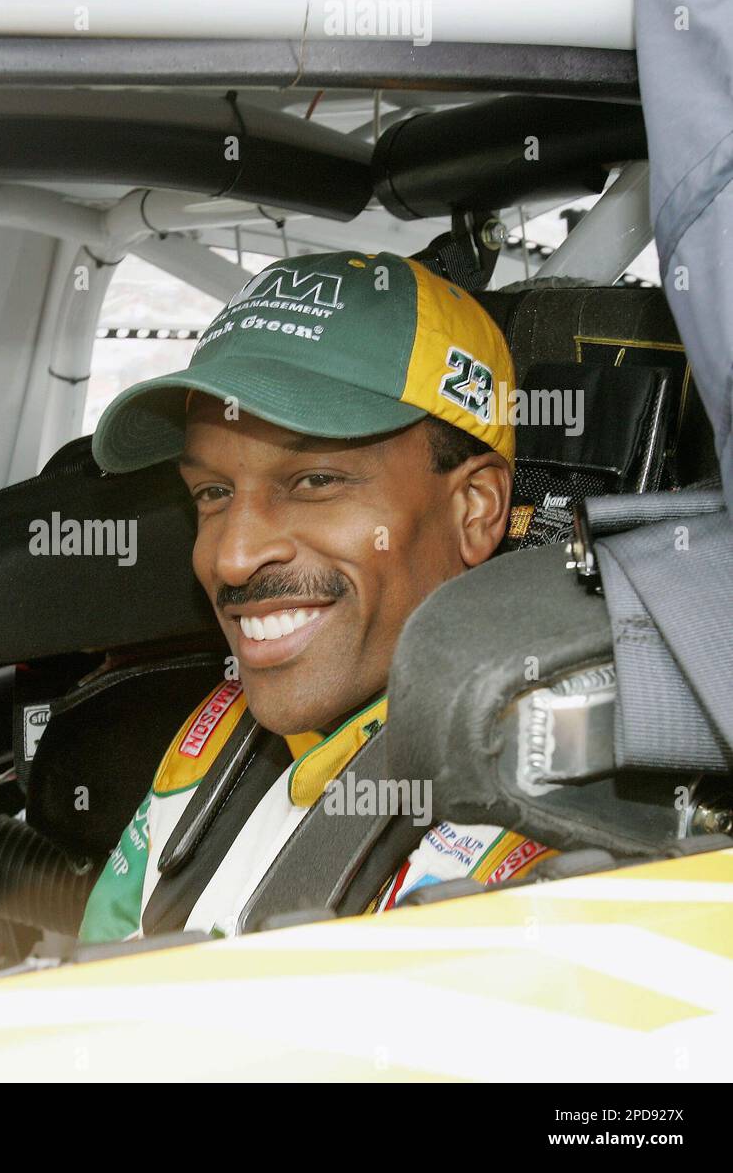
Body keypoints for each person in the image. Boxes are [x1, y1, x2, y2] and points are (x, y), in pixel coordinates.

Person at [78, 250, 552, 942]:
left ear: (475, 510)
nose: (233, 557)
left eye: (315, 482)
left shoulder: (551, 812)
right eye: (212, 494)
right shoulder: (216, 740)